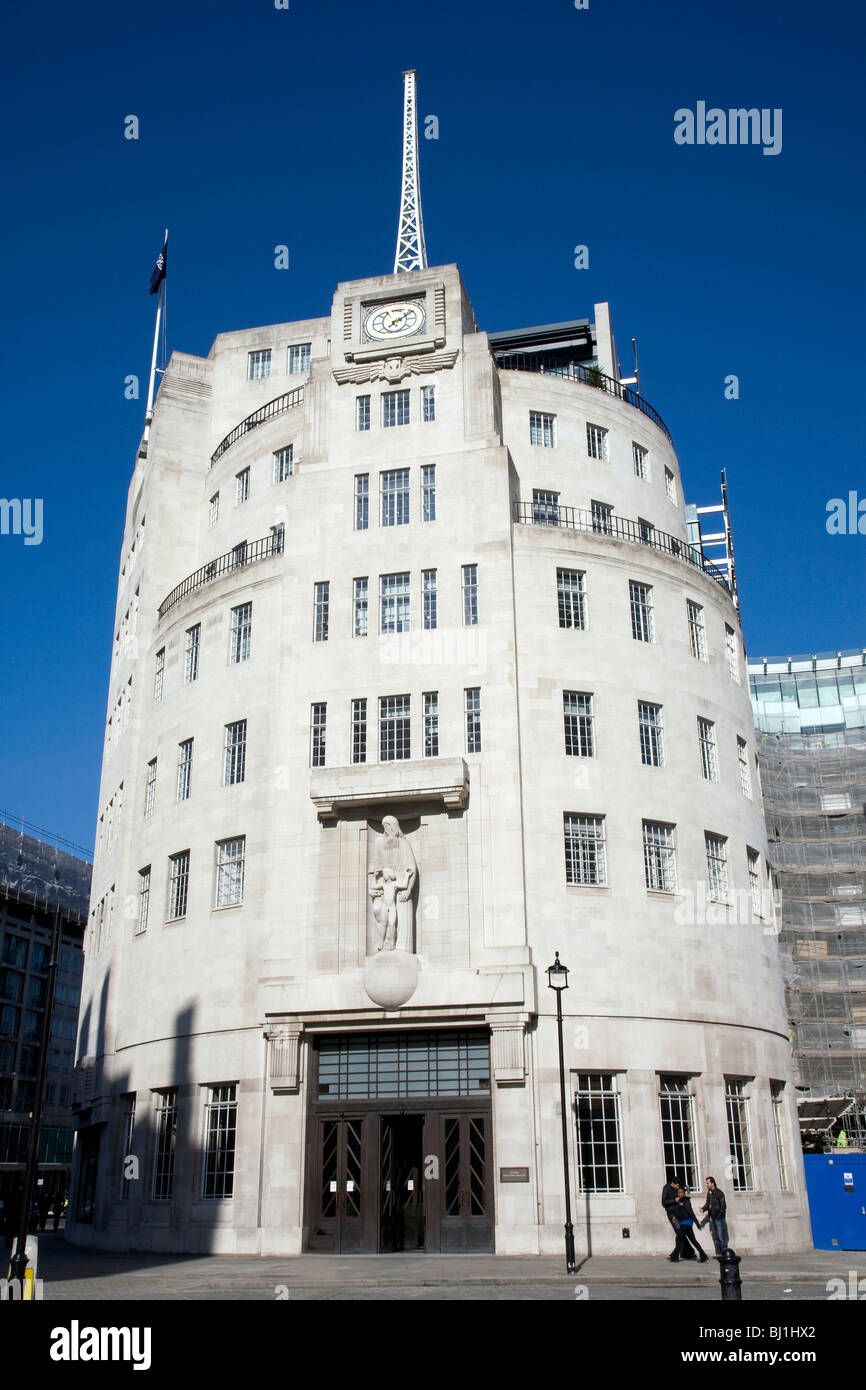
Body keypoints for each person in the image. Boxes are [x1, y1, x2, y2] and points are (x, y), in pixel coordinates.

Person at [669, 1185, 708, 1263]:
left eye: (681, 1192)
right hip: (684, 1222)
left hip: (686, 1223)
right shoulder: (680, 1201)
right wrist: (675, 1216)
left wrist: (697, 1223)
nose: (680, 1194)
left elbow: (691, 1212)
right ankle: (703, 1255)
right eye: (678, 1192)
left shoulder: (686, 1201)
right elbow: (679, 1211)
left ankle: (675, 1256)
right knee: (693, 1240)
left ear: (684, 1193)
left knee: (679, 1239)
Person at [699, 1176, 729, 1254]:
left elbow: (723, 1206)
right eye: (706, 1183)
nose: (707, 1185)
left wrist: (719, 1215)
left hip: (718, 1218)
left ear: (713, 1183)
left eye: (708, 1183)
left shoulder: (719, 1193)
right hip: (711, 1217)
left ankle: (725, 1253)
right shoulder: (709, 1193)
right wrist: (703, 1209)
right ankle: (718, 1253)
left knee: (720, 1236)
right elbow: (708, 1204)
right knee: (715, 1237)